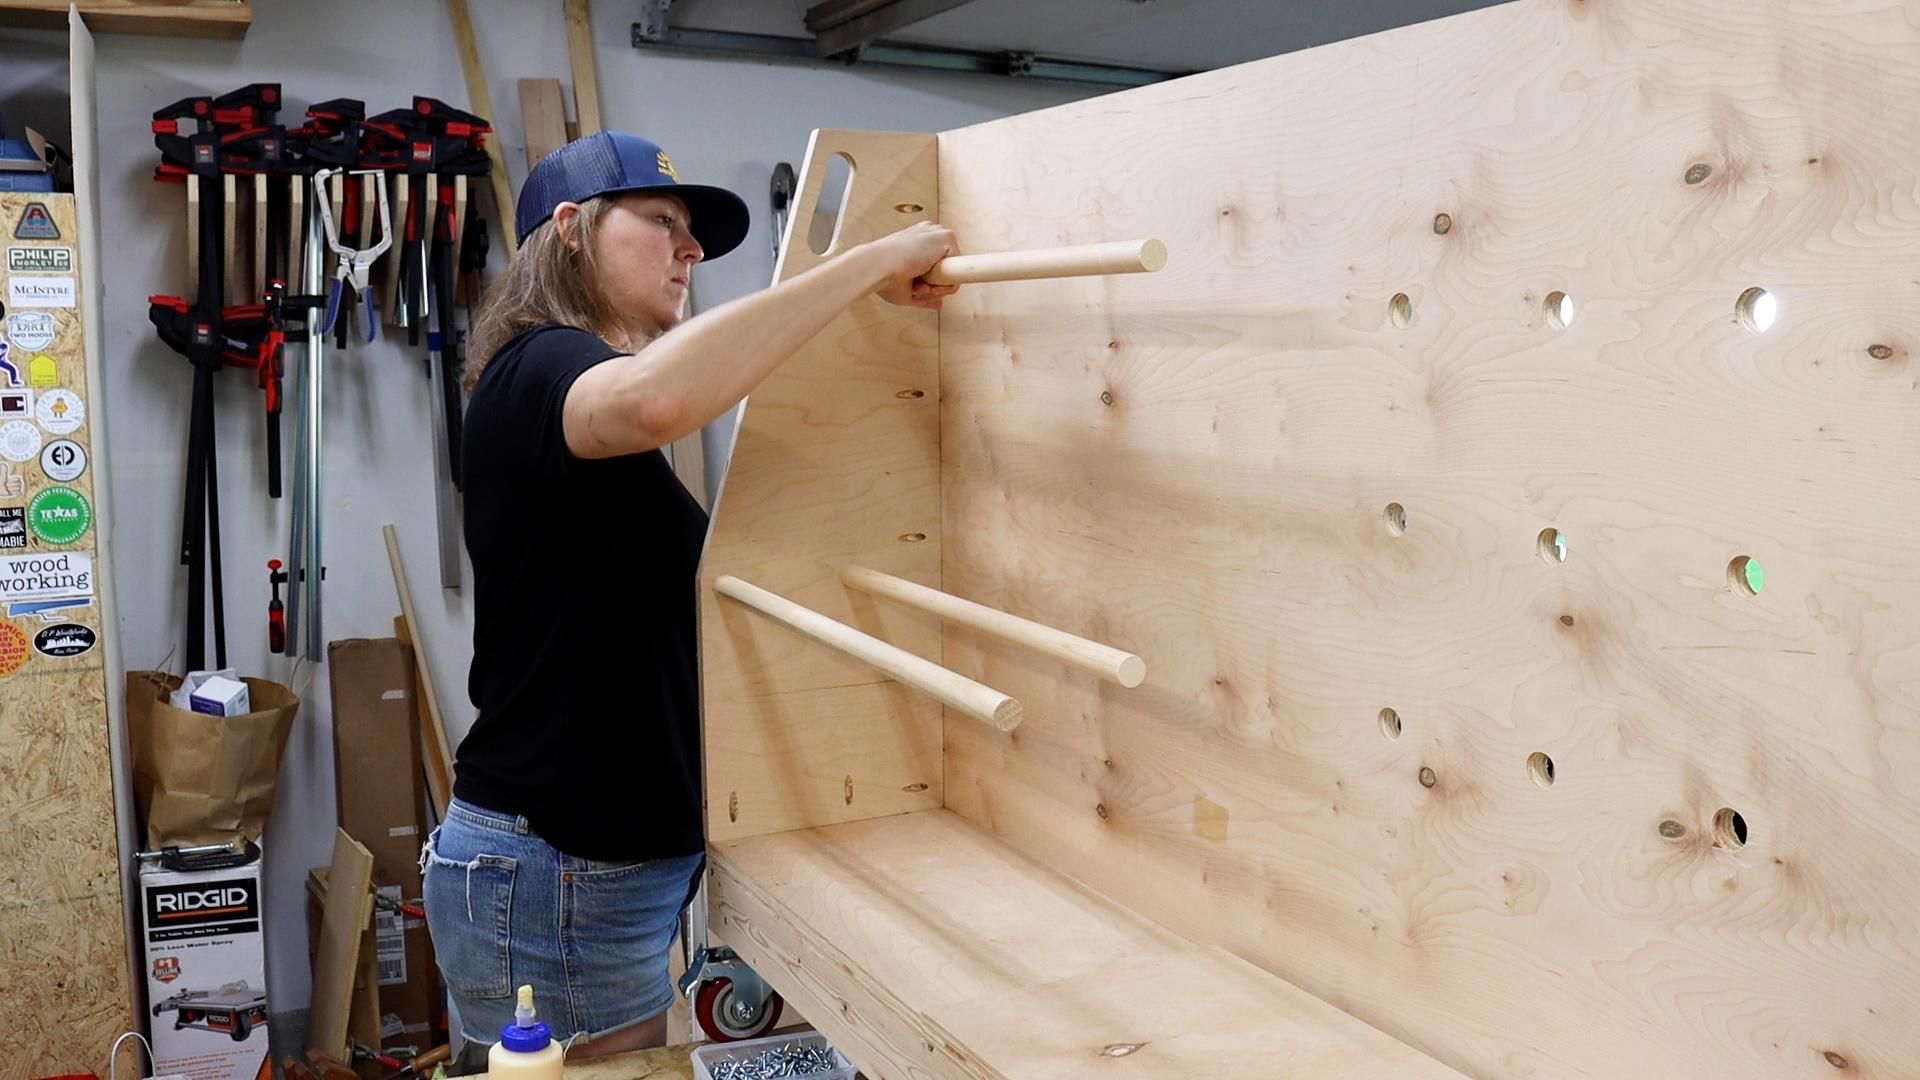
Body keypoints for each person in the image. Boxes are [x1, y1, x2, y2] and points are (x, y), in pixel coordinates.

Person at [419, 131, 959, 1065]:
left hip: (593, 870)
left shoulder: (571, 392)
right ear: (571, 231)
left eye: (692, 234)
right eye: (663, 222)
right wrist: (869, 262)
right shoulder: (535, 367)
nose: (691, 249)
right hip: (556, 867)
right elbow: (653, 402)